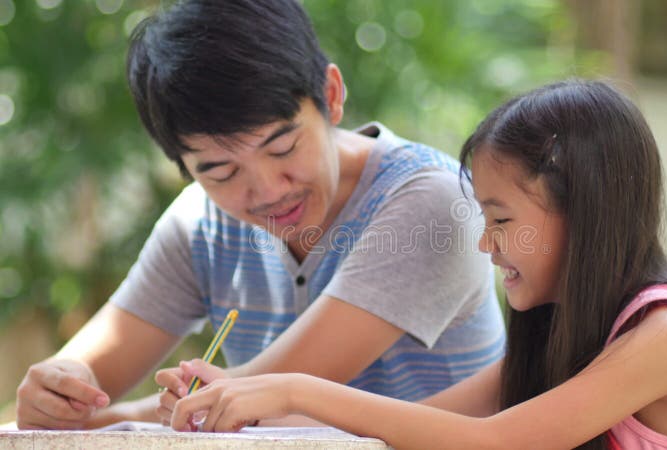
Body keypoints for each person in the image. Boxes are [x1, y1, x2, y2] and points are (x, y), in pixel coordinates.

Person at [168, 80, 667, 449]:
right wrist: (244, 406)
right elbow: (417, 426)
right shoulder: (564, 337)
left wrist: (290, 388)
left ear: (584, 215)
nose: (484, 246)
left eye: (500, 220)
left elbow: (494, 443)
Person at [14, 0, 505, 430]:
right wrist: (62, 388)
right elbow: (89, 369)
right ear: (183, 167)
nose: (268, 191)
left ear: (331, 96)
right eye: (222, 172)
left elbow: (263, 397)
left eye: (282, 146)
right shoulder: (200, 224)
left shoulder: (433, 204)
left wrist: (120, 418)